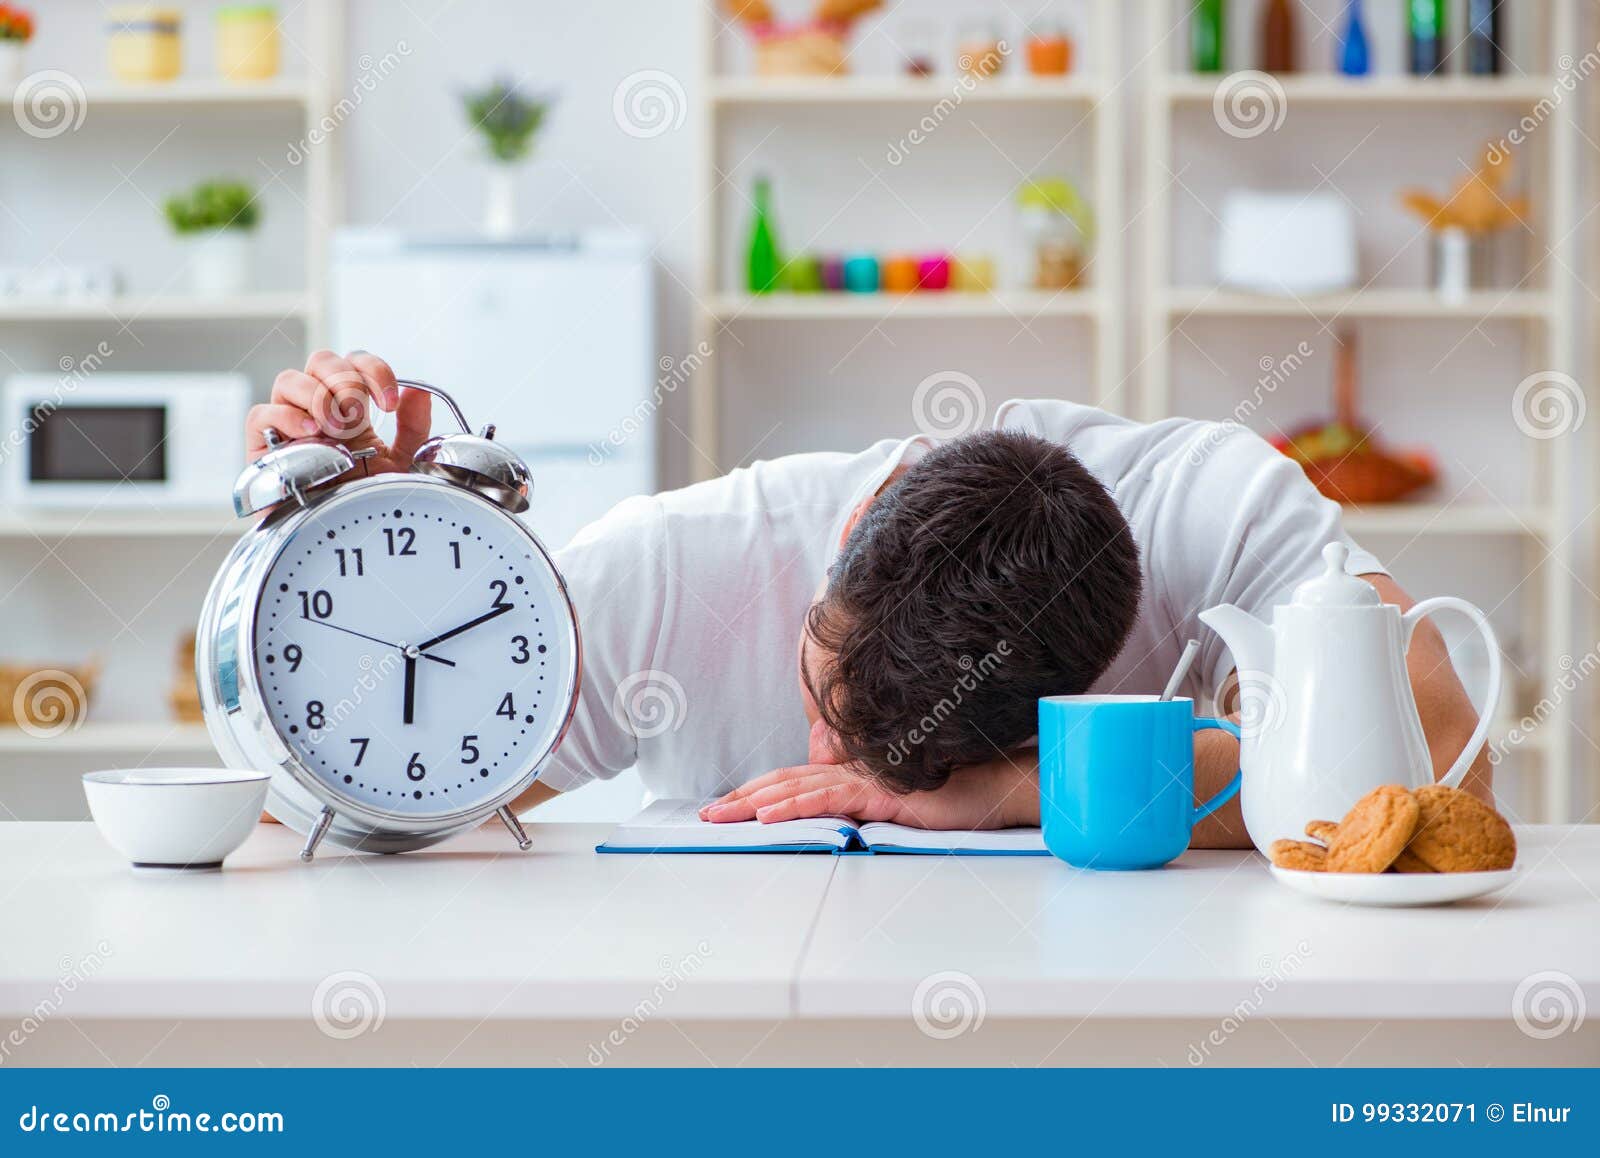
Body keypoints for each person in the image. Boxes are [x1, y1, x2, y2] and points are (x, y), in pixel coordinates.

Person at [247, 350, 1491, 846]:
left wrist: (1015, 794)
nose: (822, 756)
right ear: (847, 535)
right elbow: (346, 819)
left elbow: (1445, 779)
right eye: (820, 687)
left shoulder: (1208, 513)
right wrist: (361, 553)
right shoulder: (675, 567)